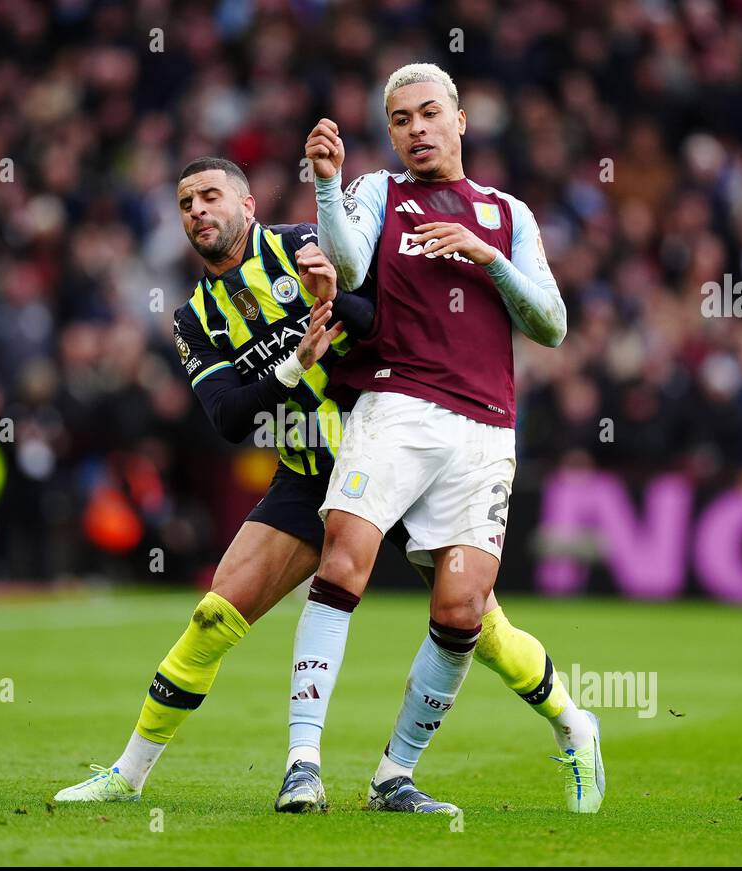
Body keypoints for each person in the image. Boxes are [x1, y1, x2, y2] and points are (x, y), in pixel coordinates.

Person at [54, 156, 590, 812]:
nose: (197, 210)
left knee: (473, 623)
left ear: (247, 206)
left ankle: (570, 722)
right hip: (308, 477)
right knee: (213, 616)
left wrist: (333, 299)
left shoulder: (303, 247)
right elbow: (227, 417)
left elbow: (384, 323)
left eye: (211, 196)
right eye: (186, 201)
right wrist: (292, 365)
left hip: (394, 461)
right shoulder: (196, 316)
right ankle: (128, 776)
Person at [288, 62, 604, 814]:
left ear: (460, 120)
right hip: (395, 405)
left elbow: (552, 327)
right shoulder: (376, 192)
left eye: (430, 113)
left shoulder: (505, 213)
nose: (417, 129)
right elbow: (352, 265)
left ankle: (394, 776)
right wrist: (328, 186)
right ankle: (303, 763)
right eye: (401, 120)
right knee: (343, 561)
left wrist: (487, 258)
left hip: (484, 429)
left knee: (463, 612)